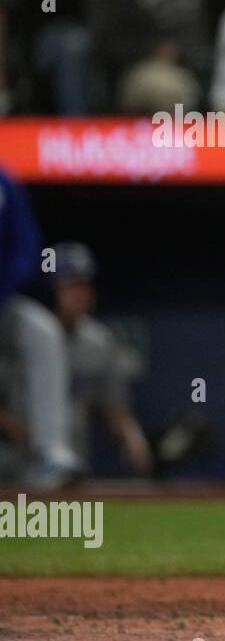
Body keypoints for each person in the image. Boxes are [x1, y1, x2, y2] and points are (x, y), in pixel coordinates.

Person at [0, 167, 79, 490]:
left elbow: (27, 245)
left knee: (42, 330)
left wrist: (4, 284)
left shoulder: (5, 182)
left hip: (2, 299)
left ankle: (52, 451)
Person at [48, 242, 151, 476]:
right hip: (15, 465)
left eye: (85, 284)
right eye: (71, 285)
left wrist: (133, 440)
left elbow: (116, 406)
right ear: (51, 290)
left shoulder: (99, 341)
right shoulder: (20, 338)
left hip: (72, 463)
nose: (81, 293)